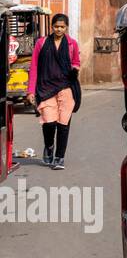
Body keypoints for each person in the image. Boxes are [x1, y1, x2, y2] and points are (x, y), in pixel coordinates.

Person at [27, 12, 80, 169]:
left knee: (63, 124)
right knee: (49, 123)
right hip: (45, 88)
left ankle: (60, 157)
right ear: (52, 27)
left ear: (66, 27)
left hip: (66, 87)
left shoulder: (72, 44)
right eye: (56, 26)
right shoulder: (41, 43)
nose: (59, 29)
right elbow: (34, 67)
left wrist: (75, 69)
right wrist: (31, 91)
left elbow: (76, 61)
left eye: (62, 27)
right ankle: (49, 147)